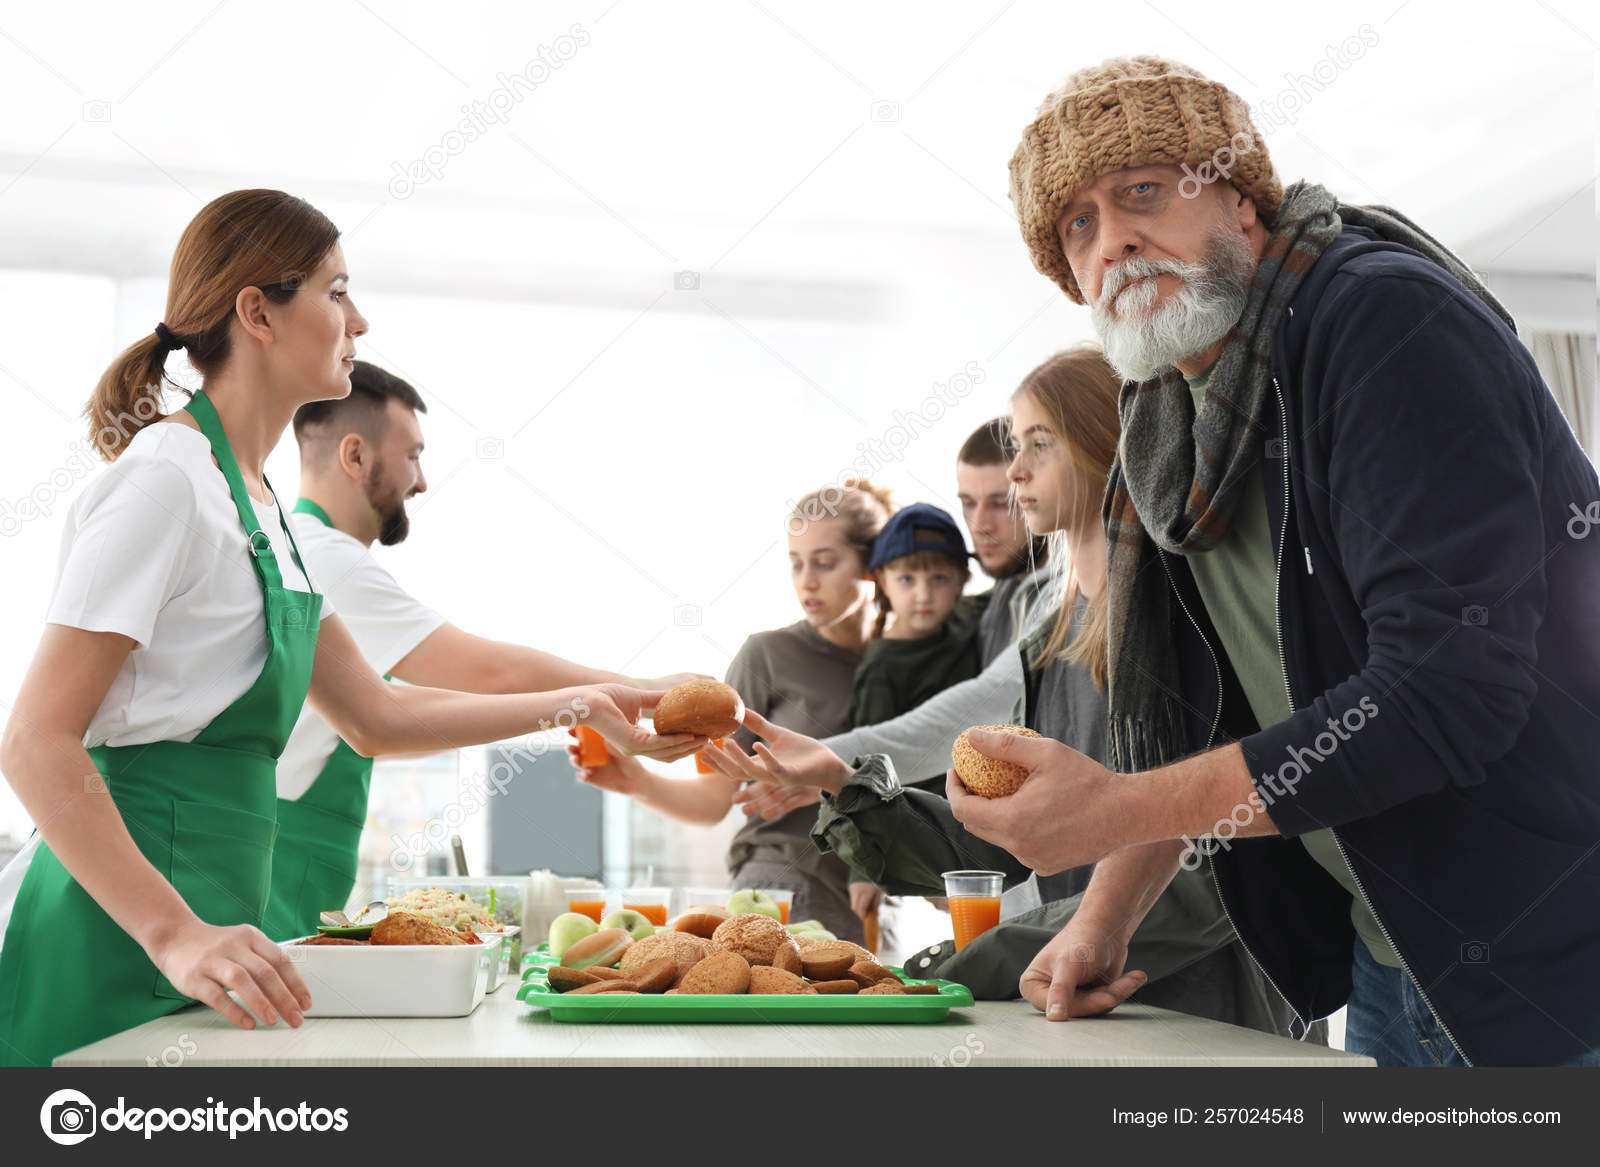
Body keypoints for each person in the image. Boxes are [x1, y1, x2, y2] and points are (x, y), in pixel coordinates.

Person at [949, 55, 1600, 1066]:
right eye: (1077, 224)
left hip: (1552, 961)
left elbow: (1447, 694)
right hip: (1395, 958)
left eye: (1143, 192)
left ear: (1239, 193)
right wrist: (1103, 917)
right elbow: (1200, 714)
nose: (1114, 238)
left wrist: (1107, 811)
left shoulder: (1383, 322)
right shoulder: (1162, 425)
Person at [0, 190, 698, 1067]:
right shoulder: (163, 482)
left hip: (220, 934)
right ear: (257, 310)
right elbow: (33, 738)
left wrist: (588, 704)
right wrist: (173, 932)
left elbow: (377, 716)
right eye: (336, 292)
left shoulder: (266, 513)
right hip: (116, 927)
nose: (357, 319)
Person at [701, 345, 1302, 1038]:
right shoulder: (1051, 636)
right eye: (1017, 446)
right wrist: (842, 778)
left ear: (1108, 444)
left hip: (1202, 1019)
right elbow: (1012, 835)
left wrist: (973, 960)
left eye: (1038, 446)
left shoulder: (1197, 614)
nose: (1015, 471)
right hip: (1070, 1008)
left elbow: (1221, 859)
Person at [265, 360, 701, 939]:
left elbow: (396, 715)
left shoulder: (301, 552)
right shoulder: (327, 560)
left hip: (288, 862)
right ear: (355, 457)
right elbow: (490, 672)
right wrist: (643, 694)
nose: (421, 481)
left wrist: (597, 705)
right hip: (278, 865)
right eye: (413, 455)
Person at [571, 481, 897, 942]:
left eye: (824, 563)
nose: (806, 580)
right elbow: (713, 799)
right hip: (780, 886)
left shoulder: (908, 663)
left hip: (877, 899)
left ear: (874, 567)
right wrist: (638, 782)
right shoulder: (764, 656)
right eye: (796, 563)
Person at [732, 419, 1053, 832]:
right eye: (968, 503)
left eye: (999, 502)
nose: (980, 523)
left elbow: (981, 705)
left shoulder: (1056, 595)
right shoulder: (999, 600)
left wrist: (829, 763)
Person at [847, 502, 982, 730]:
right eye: (907, 579)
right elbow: (872, 757)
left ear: (961, 581)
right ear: (883, 582)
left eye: (939, 579)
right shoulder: (881, 667)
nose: (924, 596)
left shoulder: (968, 616)